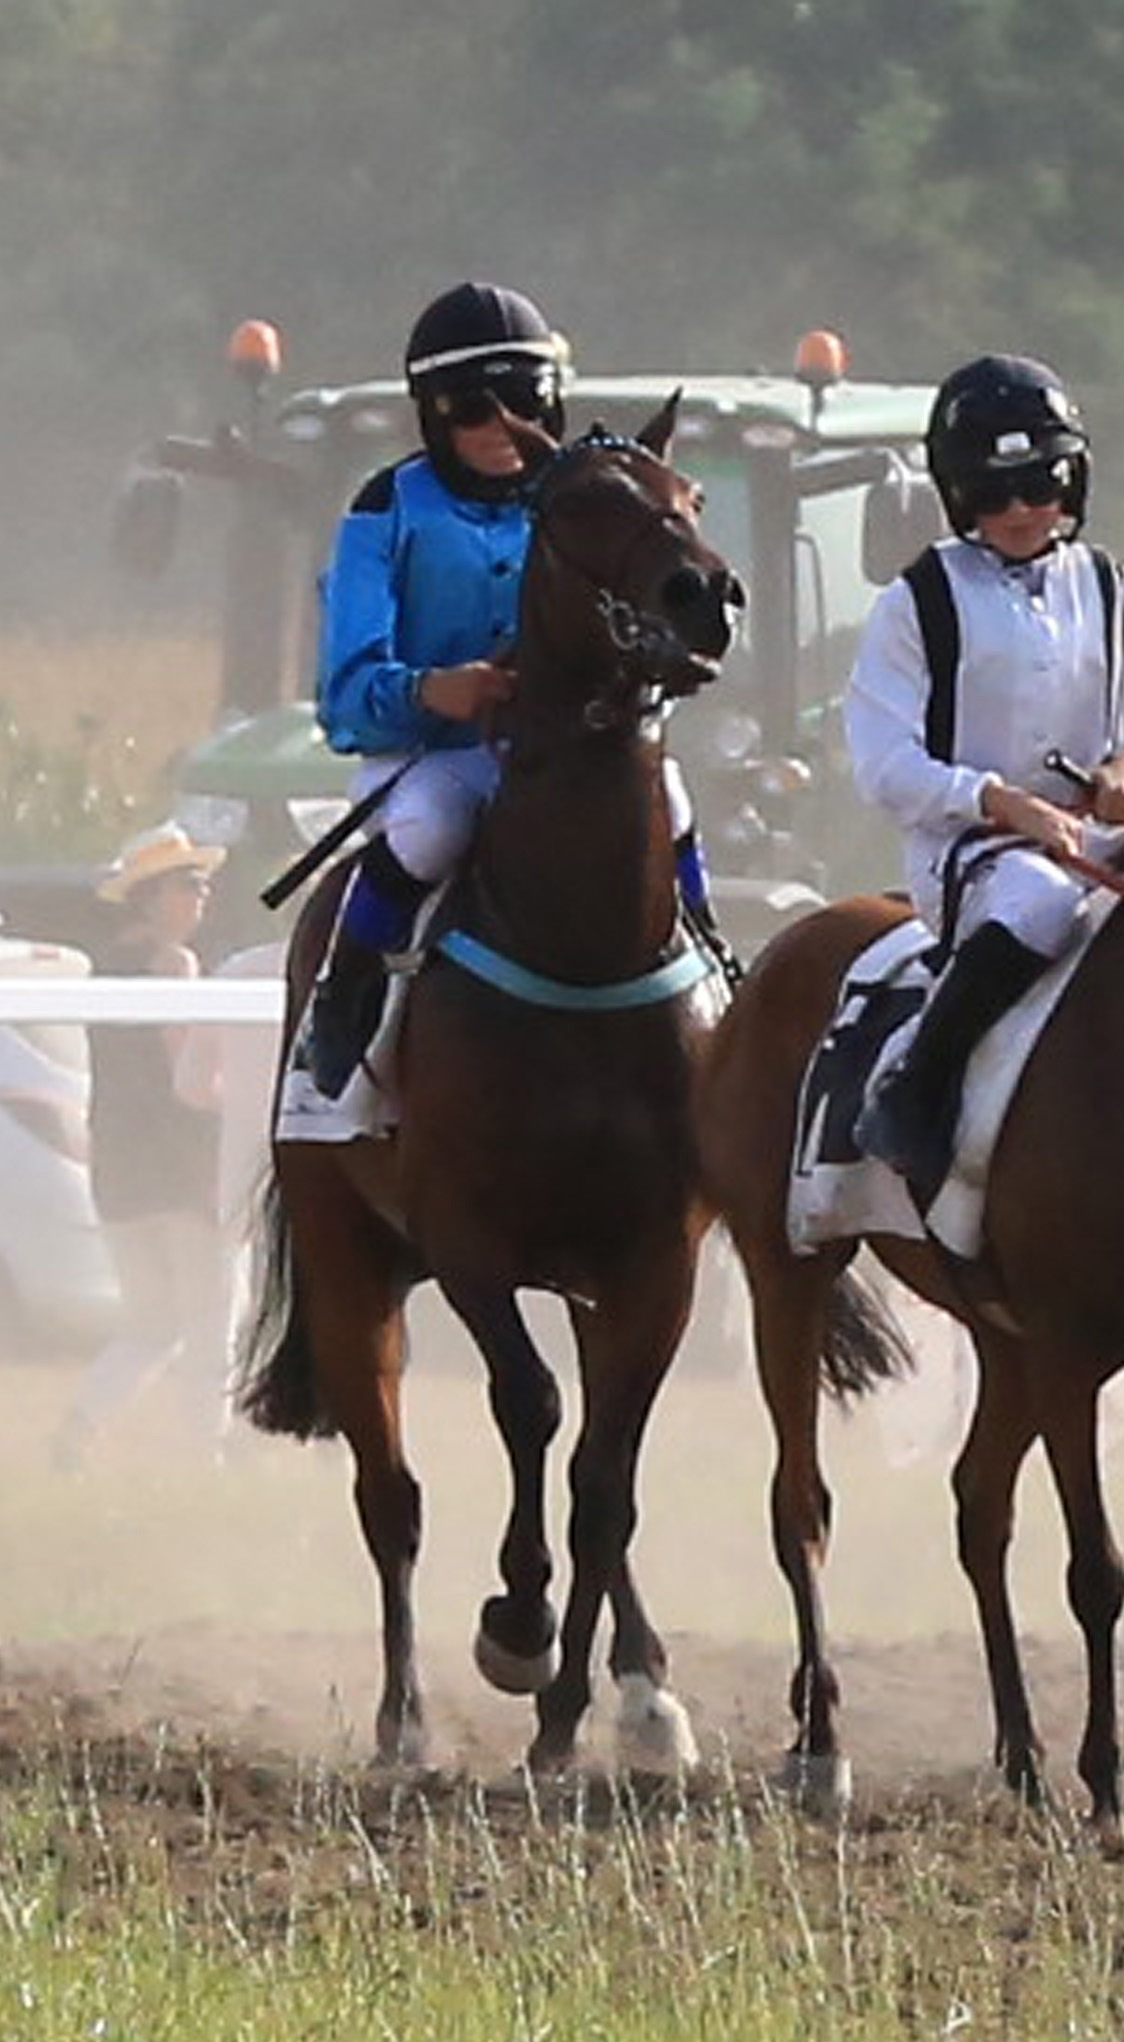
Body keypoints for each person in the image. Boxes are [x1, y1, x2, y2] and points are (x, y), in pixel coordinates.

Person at [298, 281, 722, 1098]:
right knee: (430, 828)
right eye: (469, 409)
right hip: (438, 759)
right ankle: (343, 1013)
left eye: (523, 401)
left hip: (567, 751)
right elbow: (344, 694)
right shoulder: (386, 509)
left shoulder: (585, 498)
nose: (499, 430)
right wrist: (434, 690)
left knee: (670, 793)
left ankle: (709, 957)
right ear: (432, 415)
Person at [841, 353, 1124, 1188]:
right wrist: (1002, 805)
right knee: (1040, 899)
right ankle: (915, 1090)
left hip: (1107, 844)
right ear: (957, 492)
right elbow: (884, 763)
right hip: (972, 858)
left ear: (1072, 481)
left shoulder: (1123, 595)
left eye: (1040, 486)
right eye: (994, 492)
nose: (1020, 510)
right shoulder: (917, 602)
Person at [54, 825, 231, 1468]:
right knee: (212, 1329)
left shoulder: (106, 967)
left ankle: (79, 1430)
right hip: (182, 1172)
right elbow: (187, 1078)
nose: (201, 896)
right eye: (188, 884)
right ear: (152, 897)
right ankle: (203, 1461)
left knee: (152, 1326)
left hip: (122, 1174)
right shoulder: (173, 967)